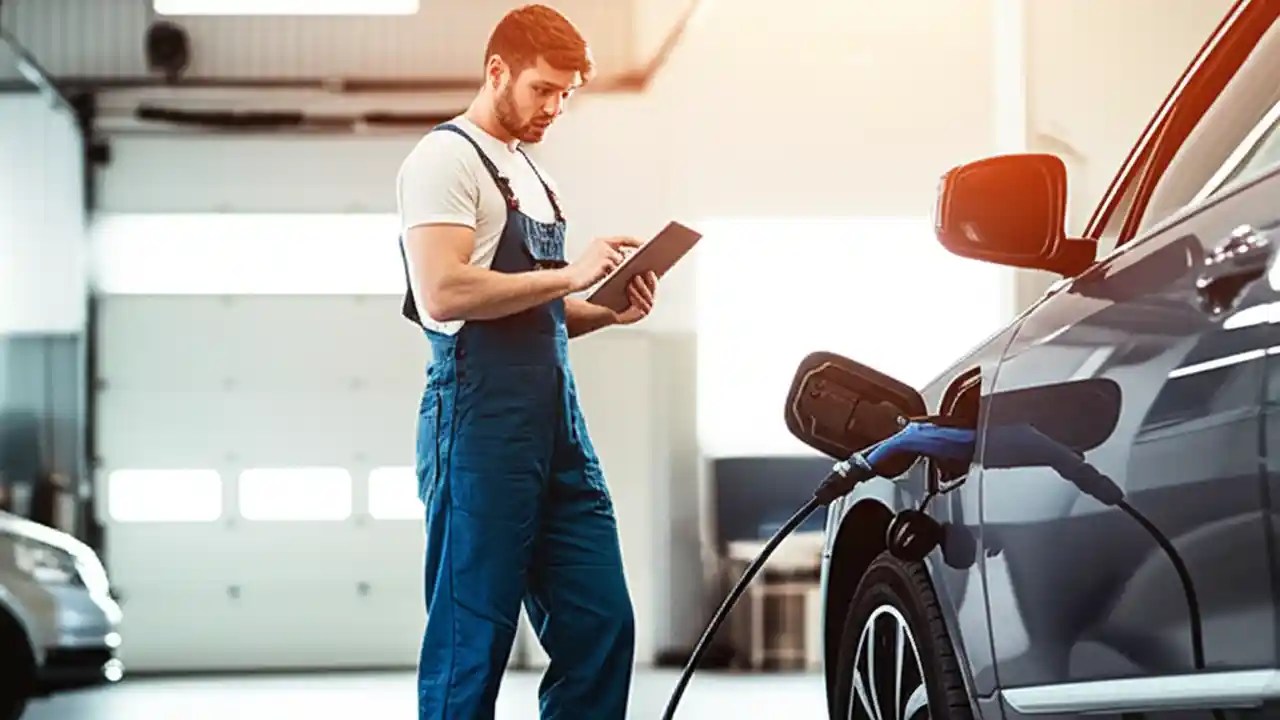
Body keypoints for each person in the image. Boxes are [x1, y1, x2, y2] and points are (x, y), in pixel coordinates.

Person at [394, 5, 658, 718]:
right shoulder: (444, 159)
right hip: (478, 426)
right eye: (543, 89)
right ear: (497, 70)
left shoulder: (535, 176)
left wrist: (607, 308)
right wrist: (571, 277)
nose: (554, 108)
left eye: (566, 96)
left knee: (600, 624)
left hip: (557, 428)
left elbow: (536, 313)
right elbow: (443, 292)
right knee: (470, 638)